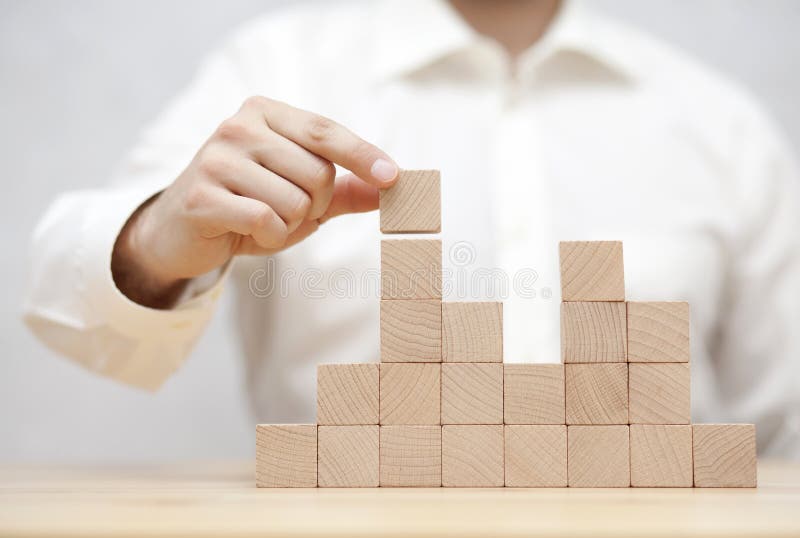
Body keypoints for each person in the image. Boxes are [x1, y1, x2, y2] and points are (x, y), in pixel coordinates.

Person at [23, 0, 800, 458]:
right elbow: (74, 309)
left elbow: (781, 424)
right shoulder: (277, 67)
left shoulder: (718, 120)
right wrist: (158, 237)